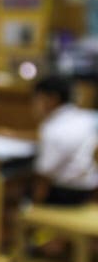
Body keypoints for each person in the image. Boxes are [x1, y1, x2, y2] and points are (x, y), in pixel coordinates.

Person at [31, 75, 98, 206]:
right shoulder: (85, 118)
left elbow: (44, 174)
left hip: (65, 194)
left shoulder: (53, 128)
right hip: (88, 191)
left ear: (51, 99)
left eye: (37, 99)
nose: (34, 105)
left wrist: (34, 206)